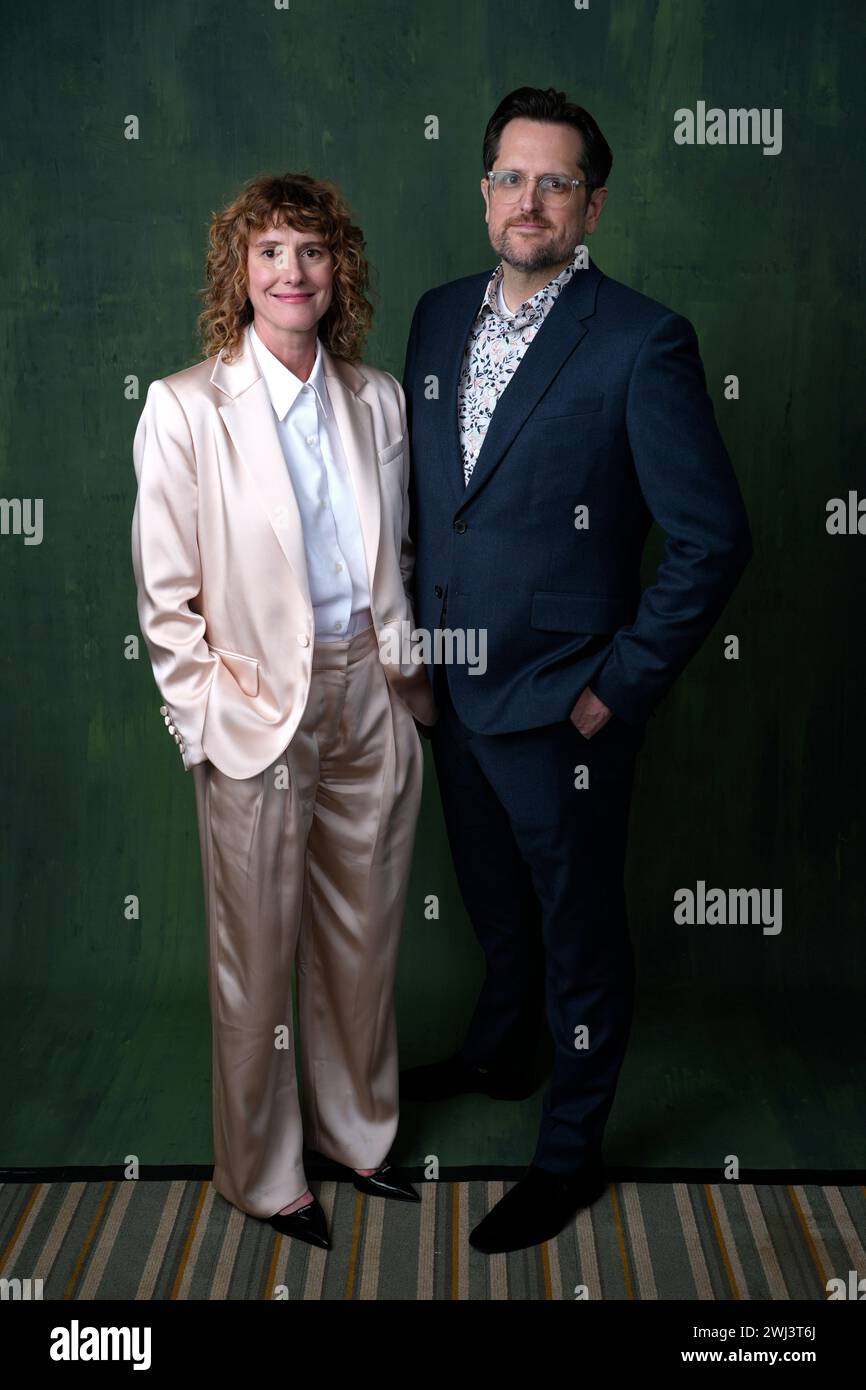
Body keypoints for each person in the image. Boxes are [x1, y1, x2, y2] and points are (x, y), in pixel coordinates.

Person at [400, 87, 753, 1254]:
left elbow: (712, 539)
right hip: (452, 690)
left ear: (590, 201)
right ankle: (502, 1051)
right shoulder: (435, 315)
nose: (528, 200)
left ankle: (566, 1155)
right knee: (497, 910)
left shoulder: (641, 339)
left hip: (566, 709)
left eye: (555, 181)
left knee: (578, 938)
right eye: (510, 176)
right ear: (483, 188)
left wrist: (617, 687)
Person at [131, 172, 436, 1250]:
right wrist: (207, 719)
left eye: (310, 251)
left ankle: (359, 1139)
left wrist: (408, 687)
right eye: (269, 252)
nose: (291, 272)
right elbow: (166, 600)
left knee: (363, 938)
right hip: (256, 703)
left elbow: (394, 554)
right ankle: (263, 1175)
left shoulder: (380, 397)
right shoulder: (182, 406)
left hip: (372, 692)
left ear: (336, 269)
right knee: (253, 953)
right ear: (239, 273)